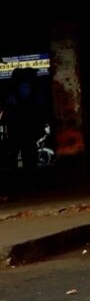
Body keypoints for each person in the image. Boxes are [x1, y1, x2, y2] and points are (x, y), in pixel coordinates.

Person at [1, 65, 48, 200]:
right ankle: (31, 185)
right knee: (29, 158)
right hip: (28, 129)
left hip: (17, 129)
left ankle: (16, 186)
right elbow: (39, 109)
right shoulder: (34, 90)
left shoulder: (12, 91)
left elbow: (8, 111)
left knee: (14, 159)